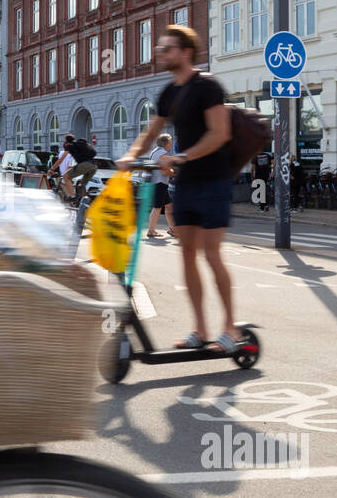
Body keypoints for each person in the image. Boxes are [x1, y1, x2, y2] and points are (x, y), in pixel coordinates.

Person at [119, 25, 238, 354]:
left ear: (186, 52)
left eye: (167, 48)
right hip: (185, 183)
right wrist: (130, 156)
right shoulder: (169, 91)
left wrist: (181, 156)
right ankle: (199, 329)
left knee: (212, 255)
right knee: (187, 256)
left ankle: (229, 328)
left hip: (213, 180)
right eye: (160, 48)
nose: (160, 53)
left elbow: (218, 134)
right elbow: (150, 132)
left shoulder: (207, 86)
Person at [145, 133, 178, 239]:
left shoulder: (154, 151)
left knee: (168, 206)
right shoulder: (163, 153)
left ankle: (172, 229)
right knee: (157, 207)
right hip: (160, 183)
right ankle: (151, 230)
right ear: (166, 143)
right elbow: (165, 171)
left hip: (156, 183)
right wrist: (173, 172)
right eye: (170, 143)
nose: (171, 145)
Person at [62, 136, 98, 204]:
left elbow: (61, 159)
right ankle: (84, 204)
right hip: (94, 166)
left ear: (67, 142)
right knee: (82, 185)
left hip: (85, 165)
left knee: (66, 176)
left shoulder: (71, 146)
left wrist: (52, 169)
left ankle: (72, 196)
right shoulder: (82, 144)